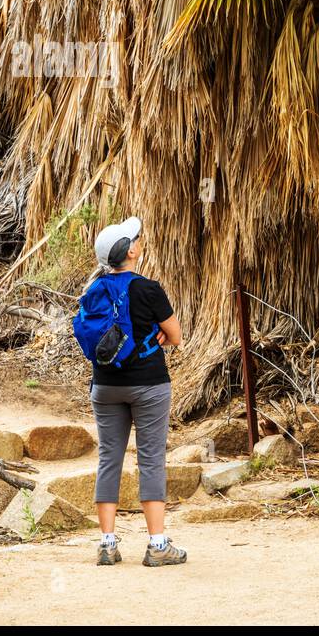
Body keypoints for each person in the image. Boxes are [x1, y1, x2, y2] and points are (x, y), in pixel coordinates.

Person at [86, 216, 187, 567]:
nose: (140, 242)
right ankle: (158, 545)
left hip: (105, 386)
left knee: (109, 458)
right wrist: (156, 335)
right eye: (137, 239)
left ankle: (107, 544)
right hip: (149, 385)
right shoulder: (148, 289)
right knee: (150, 459)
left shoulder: (93, 290)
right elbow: (175, 336)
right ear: (131, 251)